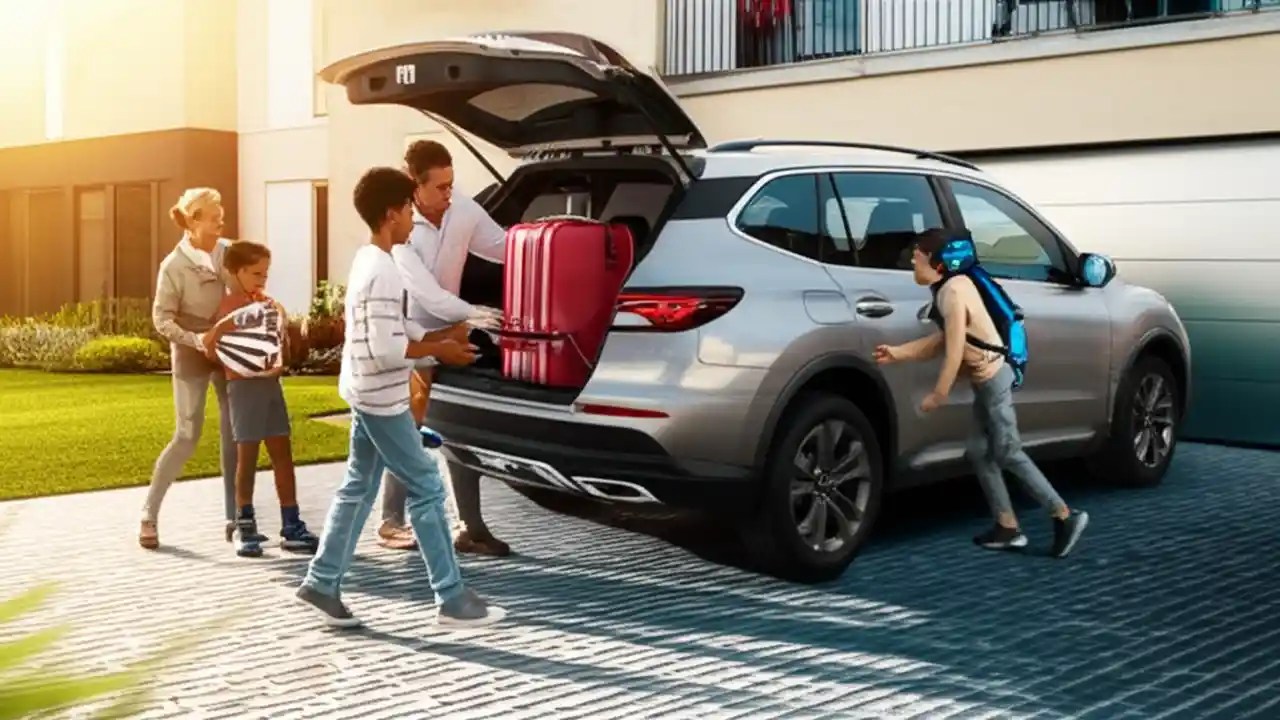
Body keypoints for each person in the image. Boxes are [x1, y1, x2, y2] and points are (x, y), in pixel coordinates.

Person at [296, 166, 506, 628]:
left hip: (364, 390)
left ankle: (323, 582)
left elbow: (394, 329)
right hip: (382, 399)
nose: (414, 216)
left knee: (358, 486)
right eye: (410, 208)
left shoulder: (367, 260)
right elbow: (389, 348)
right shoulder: (384, 271)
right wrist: (440, 351)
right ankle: (451, 599)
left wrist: (438, 335)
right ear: (392, 213)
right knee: (428, 487)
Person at [873, 229, 1089, 558]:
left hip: (993, 378)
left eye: (917, 258)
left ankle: (1064, 515)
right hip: (985, 381)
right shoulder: (948, 288)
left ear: (938, 264)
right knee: (979, 451)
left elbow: (955, 347)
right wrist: (898, 353)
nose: (912, 264)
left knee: (1008, 451)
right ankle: (1007, 527)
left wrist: (939, 393)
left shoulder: (953, 293)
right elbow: (944, 340)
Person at [378, 140, 509, 556]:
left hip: (452, 331)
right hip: (411, 335)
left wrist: (548, 244)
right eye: (440, 188)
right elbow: (428, 296)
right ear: (415, 187)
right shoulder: (399, 229)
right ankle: (390, 523)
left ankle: (470, 527)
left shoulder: (464, 210)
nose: (448, 195)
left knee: (458, 428)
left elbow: (504, 247)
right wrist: (477, 314)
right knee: (406, 429)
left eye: (451, 185)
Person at [207, 240, 320, 558]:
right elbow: (215, 347)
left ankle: (291, 524)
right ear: (237, 272)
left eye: (265, 275)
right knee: (247, 458)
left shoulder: (269, 305)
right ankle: (244, 525)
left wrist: (281, 355)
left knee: (283, 454)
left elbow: (277, 344)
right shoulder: (229, 310)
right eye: (256, 274)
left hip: (271, 388)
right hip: (244, 390)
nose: (262, 280)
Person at [139, 188, 237, 550]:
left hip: (227, 349)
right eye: (214, 218)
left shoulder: (228, 251)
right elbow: (161, 319)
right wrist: (197, 340)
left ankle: (236, 517)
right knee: (186, 435)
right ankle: (149, 514)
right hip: (191, 349)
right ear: (194, 219)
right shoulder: (173, 266)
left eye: (221, 217)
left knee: (234, 433)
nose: (220, 223)